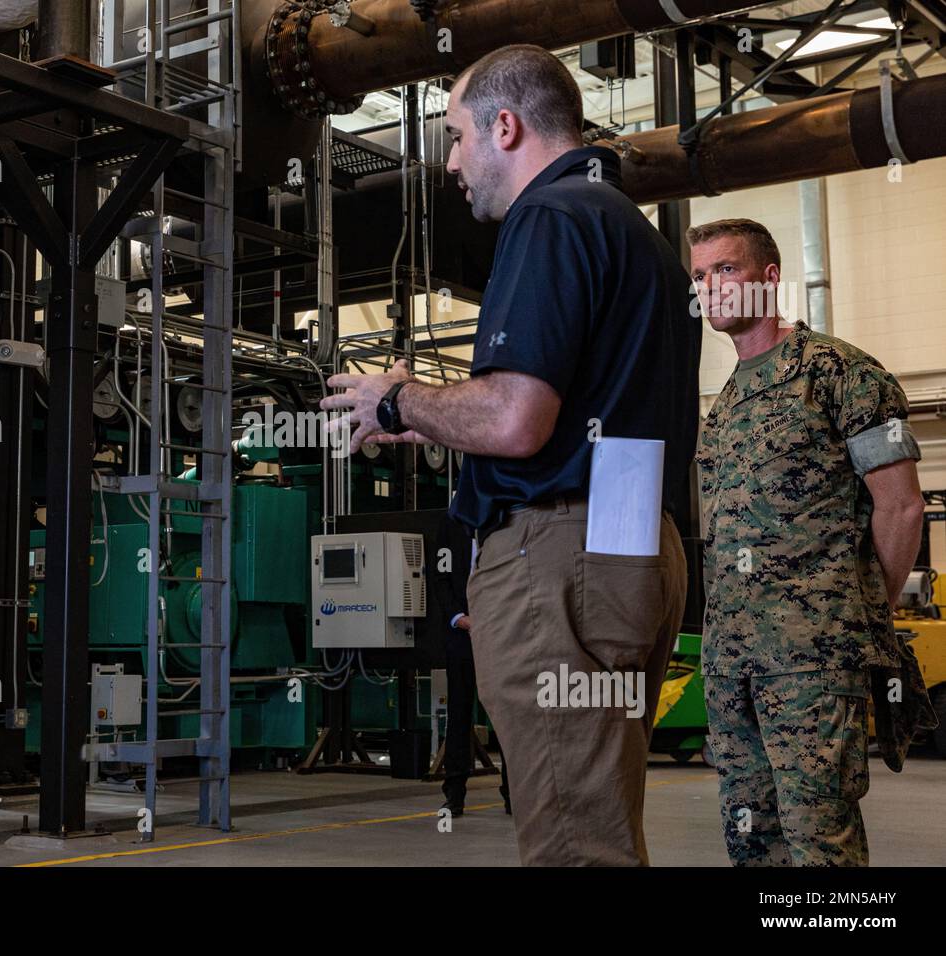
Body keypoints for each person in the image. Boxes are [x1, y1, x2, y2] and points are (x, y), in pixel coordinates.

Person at [321, 44, 700, 865]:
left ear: (505, 125)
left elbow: (517, 420)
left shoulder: (551, 217)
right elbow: (574, 413)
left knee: (572, 842)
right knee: (597, 814)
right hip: (630, 549)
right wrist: (437, 422)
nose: (452, 163)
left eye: (456, 137)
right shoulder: (631, 233)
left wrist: (397, 396)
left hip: (562, 548)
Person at [689, 218, 924, 866]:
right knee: (752, 838)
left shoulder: (840, 372)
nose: (711, 288)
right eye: (701, 276)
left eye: (726, 269)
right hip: (733, 663)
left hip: (813, 662)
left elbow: (902, 507)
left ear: (769, 278)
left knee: (820, 839)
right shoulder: (728, 402)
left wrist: (857, 610)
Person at [432, 518, 510, 817]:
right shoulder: (450, 526)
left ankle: (513, 793)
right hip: (461, 636)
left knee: (505, 714)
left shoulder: (503, 520)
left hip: (500, 632)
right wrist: (458, 617)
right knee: (459, 714)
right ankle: (454, 794)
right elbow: (440, 579)